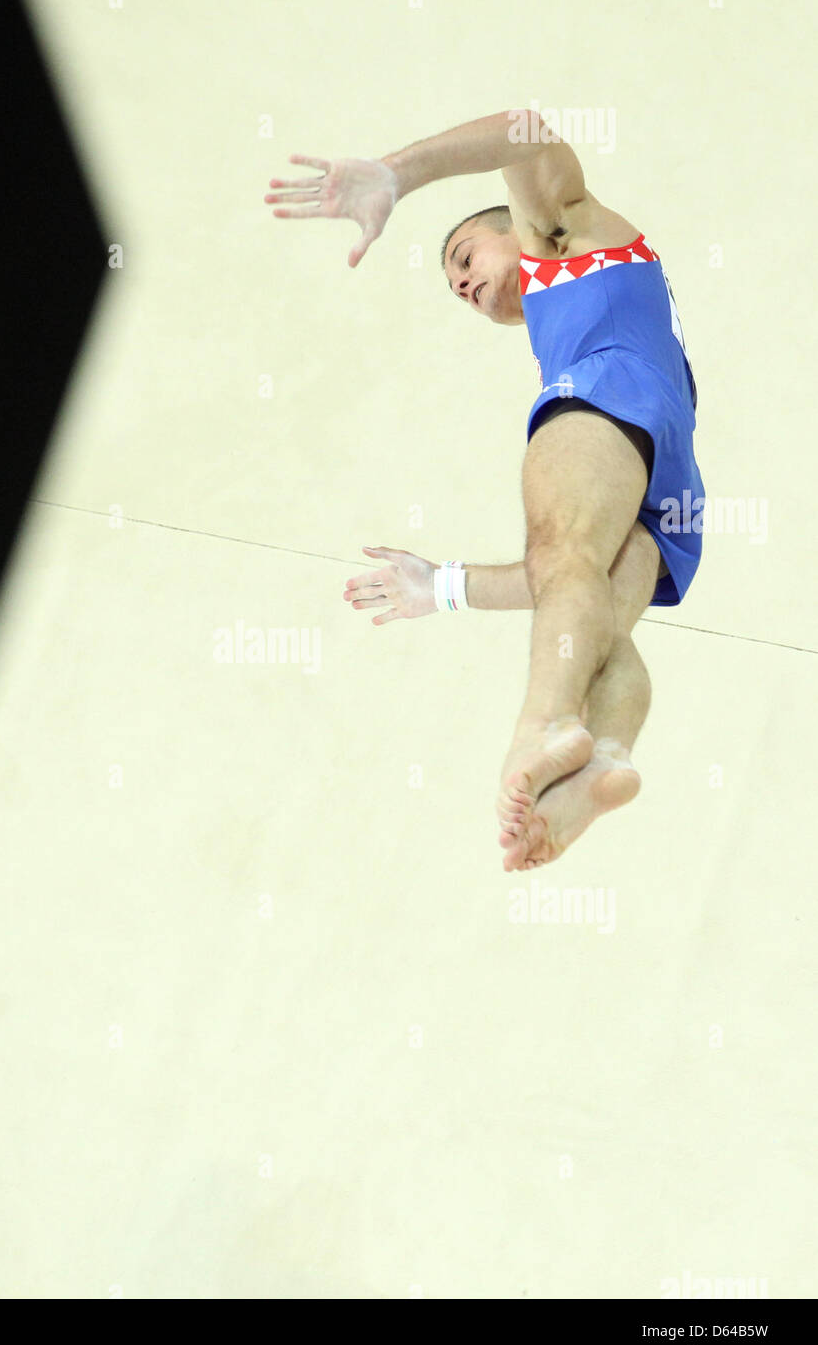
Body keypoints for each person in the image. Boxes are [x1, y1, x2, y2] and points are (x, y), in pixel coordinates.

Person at [265, 108, 704, 871]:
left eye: (465, 255)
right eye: (454, 288)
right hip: (669, 460)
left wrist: (396, 173)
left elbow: (522, 128)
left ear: (516, 225)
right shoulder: (578, 314)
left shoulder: (561, 233)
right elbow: (553, 588)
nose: (463, 284)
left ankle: (544, 724)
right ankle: (602, 756)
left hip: (612, 387)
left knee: (562, 550)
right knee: (594, 620)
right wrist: (444, 588)